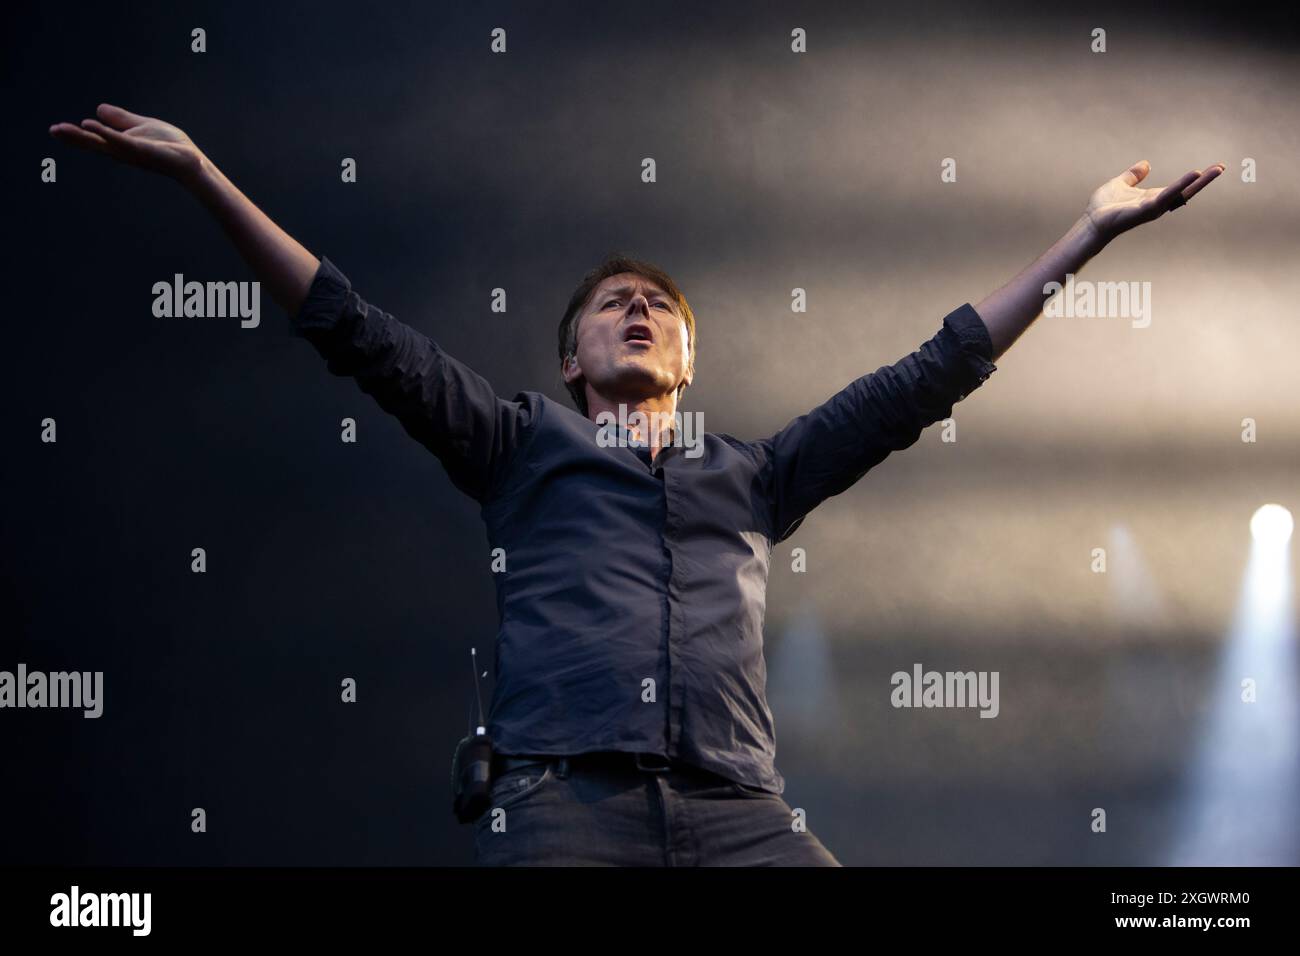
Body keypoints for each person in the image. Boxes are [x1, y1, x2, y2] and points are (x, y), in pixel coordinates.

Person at [50, 103, 1225, 866]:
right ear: (571, 359)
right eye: (611, 303)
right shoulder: (518, 444)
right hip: (566, 812)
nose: (639, 306)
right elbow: (351, 326)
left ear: (687, 360)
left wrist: (1084, 236)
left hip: (741, 814)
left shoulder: (756, 474)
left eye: (658, 303)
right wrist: (205, 173)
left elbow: (931, 372)